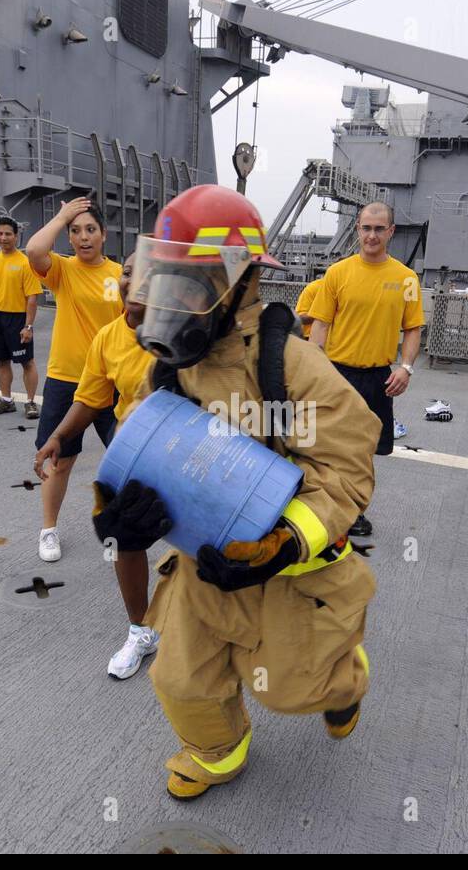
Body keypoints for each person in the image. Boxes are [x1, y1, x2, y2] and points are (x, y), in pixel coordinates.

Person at [96, 184, 380, 800]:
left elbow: (345, 471)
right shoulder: (170, 369)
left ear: (241, 283)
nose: (170, 299)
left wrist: (281, 542)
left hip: (288, 570)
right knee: (180, 679)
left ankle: (347, 680)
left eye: (189, 283)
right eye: (164, 280)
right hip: (203, 566)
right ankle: (216, 752)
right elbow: (140, 445)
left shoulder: (294, 368)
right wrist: (119, 512)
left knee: (293, 687)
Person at [35, 253, 157, 678]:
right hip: (135, 454)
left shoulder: (188, 333)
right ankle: (142, 630)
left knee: (208, 548)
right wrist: (58, 437)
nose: (134, 280)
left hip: (190, 456)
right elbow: (91, 398)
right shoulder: (107, 337)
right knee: (123, 535)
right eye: (127, 273)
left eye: (148, 274)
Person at [308, 201, 423, 537]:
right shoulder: (337, 273)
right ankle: (324, 507)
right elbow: (321, 324)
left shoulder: (406, 279)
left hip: (378, 377)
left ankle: (354, 512)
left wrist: (406, 368)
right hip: (336, 374)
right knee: (326, 446)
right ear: (358, 229)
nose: (371, 235)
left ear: (391, 232)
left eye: (378, 229)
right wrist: (314, 370)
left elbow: (413, 328)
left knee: (364, 453)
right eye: (366, 228)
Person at [23, 197, 122, 563]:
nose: (84, 237)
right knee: (61, 459)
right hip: (67, 380)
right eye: (75, 231)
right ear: (68, 238)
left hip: (112, 382)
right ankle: (49, 529)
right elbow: (34, 249)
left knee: (123, 459)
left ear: (104, 235)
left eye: (90, 230)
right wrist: (63, 214)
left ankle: (117, 528)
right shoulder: (62, 270)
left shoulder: (119, 275)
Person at [0, 217, 41, 419]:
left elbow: (32, 298)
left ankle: (30, 402)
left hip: (18, 319)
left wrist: (28, 326)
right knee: (2, 361)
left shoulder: (25, 263)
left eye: (8, 234)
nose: (3, 238)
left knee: (26, 362)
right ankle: (6, 400)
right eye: (0, 233)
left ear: (16, 236)